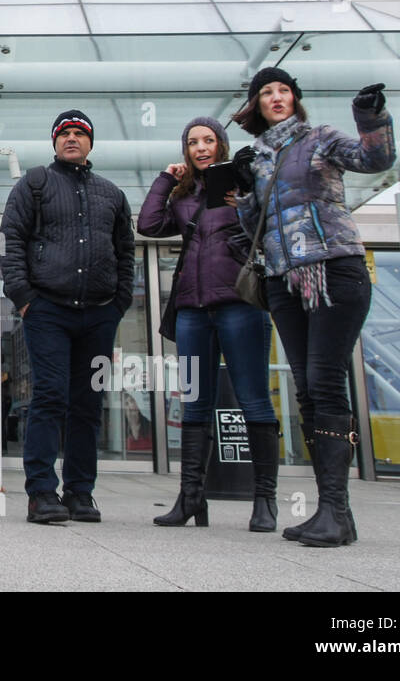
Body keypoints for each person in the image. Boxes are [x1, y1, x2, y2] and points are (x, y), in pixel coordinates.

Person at [231, 67, 394, 548]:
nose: (276, 97)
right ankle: (331, 511)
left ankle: (336, 512)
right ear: (257, 104)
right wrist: (242, 194)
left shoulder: (319, 137)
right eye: (266, 92)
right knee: (307, 388)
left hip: (331, 269)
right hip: (282, 277)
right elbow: (255, 226)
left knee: (326, 381)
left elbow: (375, 158)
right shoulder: (259, 156)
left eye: (283, 90)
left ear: (294, 99)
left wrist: (370, 115)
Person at [138, 116, 278, 530]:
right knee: (195, 404)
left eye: (208, 140)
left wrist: (249, 195)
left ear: (221, 145)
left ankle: (265, 501)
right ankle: (191, 499)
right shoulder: (183, 197)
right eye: (193, 142)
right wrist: (166, 179)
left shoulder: (242, 185)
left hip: (239, 304)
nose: (201, 148)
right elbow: (147, 225)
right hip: (192, 313)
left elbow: (271, 223)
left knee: (254, 399)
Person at [0, 109, 134, 525]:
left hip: (98, 316)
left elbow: (126, 252)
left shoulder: (112, 194)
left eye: (79, 133)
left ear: (91, 143)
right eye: (64, 133)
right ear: (54, 142)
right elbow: (10, 239)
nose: (71, 138)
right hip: (48, 313)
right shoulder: (35, 183)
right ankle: (41, 492)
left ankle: (80, 492)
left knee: (88, 404)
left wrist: (119, 303)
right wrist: (24, 297)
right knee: (50, 396)